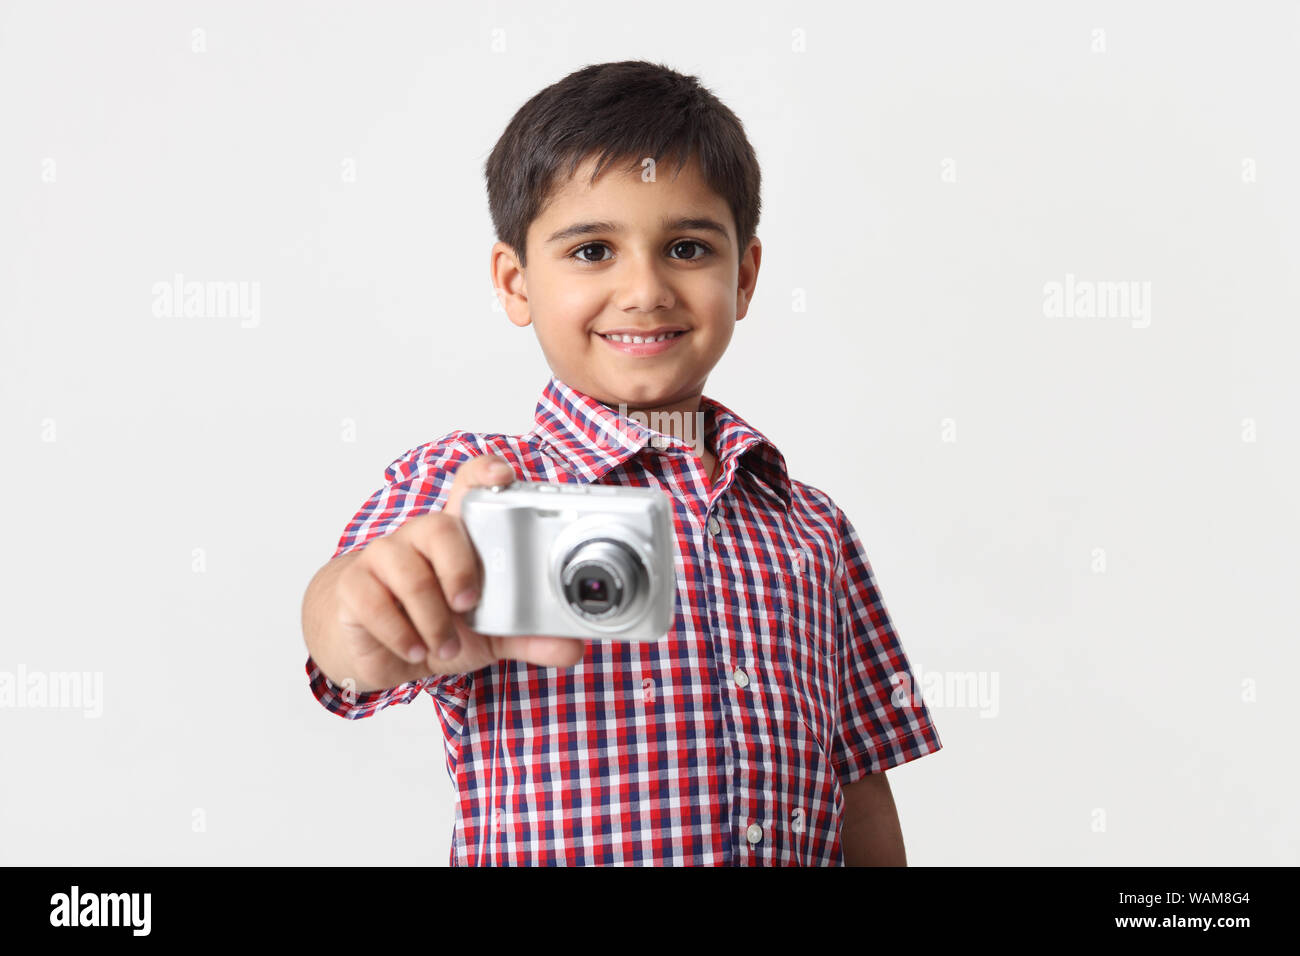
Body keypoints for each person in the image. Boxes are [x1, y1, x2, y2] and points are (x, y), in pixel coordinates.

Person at [301, 60, 942, 866]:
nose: (645, 290)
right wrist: (368, 606)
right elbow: (343, 638)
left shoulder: (811, 527)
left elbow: (860, 784)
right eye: (593, 250)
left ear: (742, 276)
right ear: (516, 282)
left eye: (685, 247)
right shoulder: (476, 489)